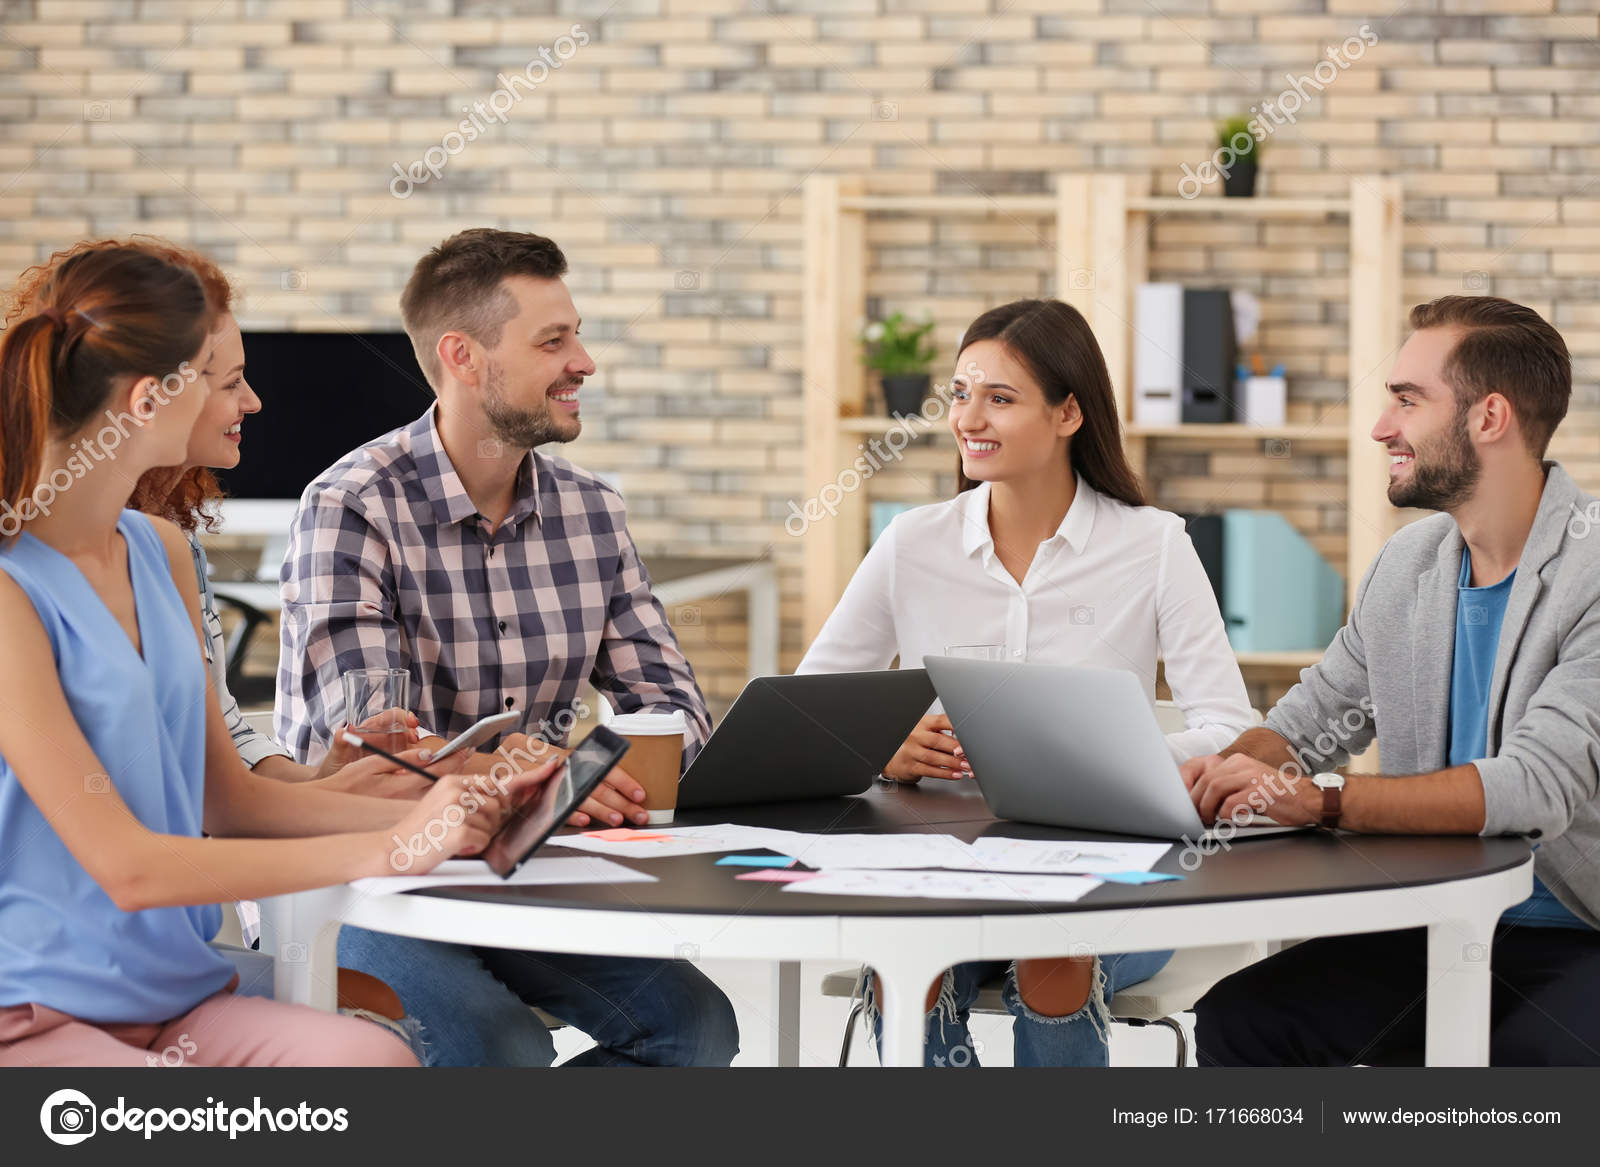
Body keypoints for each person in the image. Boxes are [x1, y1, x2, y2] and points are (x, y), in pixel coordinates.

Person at [0, 243, 544, 1067]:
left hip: (174, 997)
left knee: (376, 1064)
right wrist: (394, 843)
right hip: (36, 1012)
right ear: (151, 399)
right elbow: (125, 868)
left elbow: (232, 801)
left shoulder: (163, 554)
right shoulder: (12, 591)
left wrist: (462, 812)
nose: (251, 400)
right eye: (227, 380)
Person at [276, 227, 739, 1068]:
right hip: (370, 882)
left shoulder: (592, 511)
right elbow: (369, 754)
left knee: (698, 1026)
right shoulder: (351, 505)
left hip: (527, 872)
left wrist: (591, 771)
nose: (585, 361)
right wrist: (542, 774)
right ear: (464, 355)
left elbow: (673, 713)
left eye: (578, 334)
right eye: (553, 341)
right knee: (500, 1048)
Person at [798, 298, 1255, 1066]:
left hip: (1108, 873)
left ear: (1069, 412)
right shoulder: (914, 542)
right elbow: (809, 713)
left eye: (1000, 398)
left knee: (1054, 952)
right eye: (961, 393)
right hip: (945, 869)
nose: (969, 417)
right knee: (911, 962)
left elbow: (1232, 726)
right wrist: (882, 744)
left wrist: (1113, 755)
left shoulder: (1153, 546)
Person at [1188, 295, 1600, 1067]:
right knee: (1243, 1020)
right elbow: (1310, 721)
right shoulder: (1407, 568)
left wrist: (1326, 802)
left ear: (1490, 417)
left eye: (1408, 401)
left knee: (1540, 1064)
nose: (1383, 428)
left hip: (1575, 933)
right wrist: (1225, 772)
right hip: (1439, 923)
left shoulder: (1592, 569)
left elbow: (1537, 784)